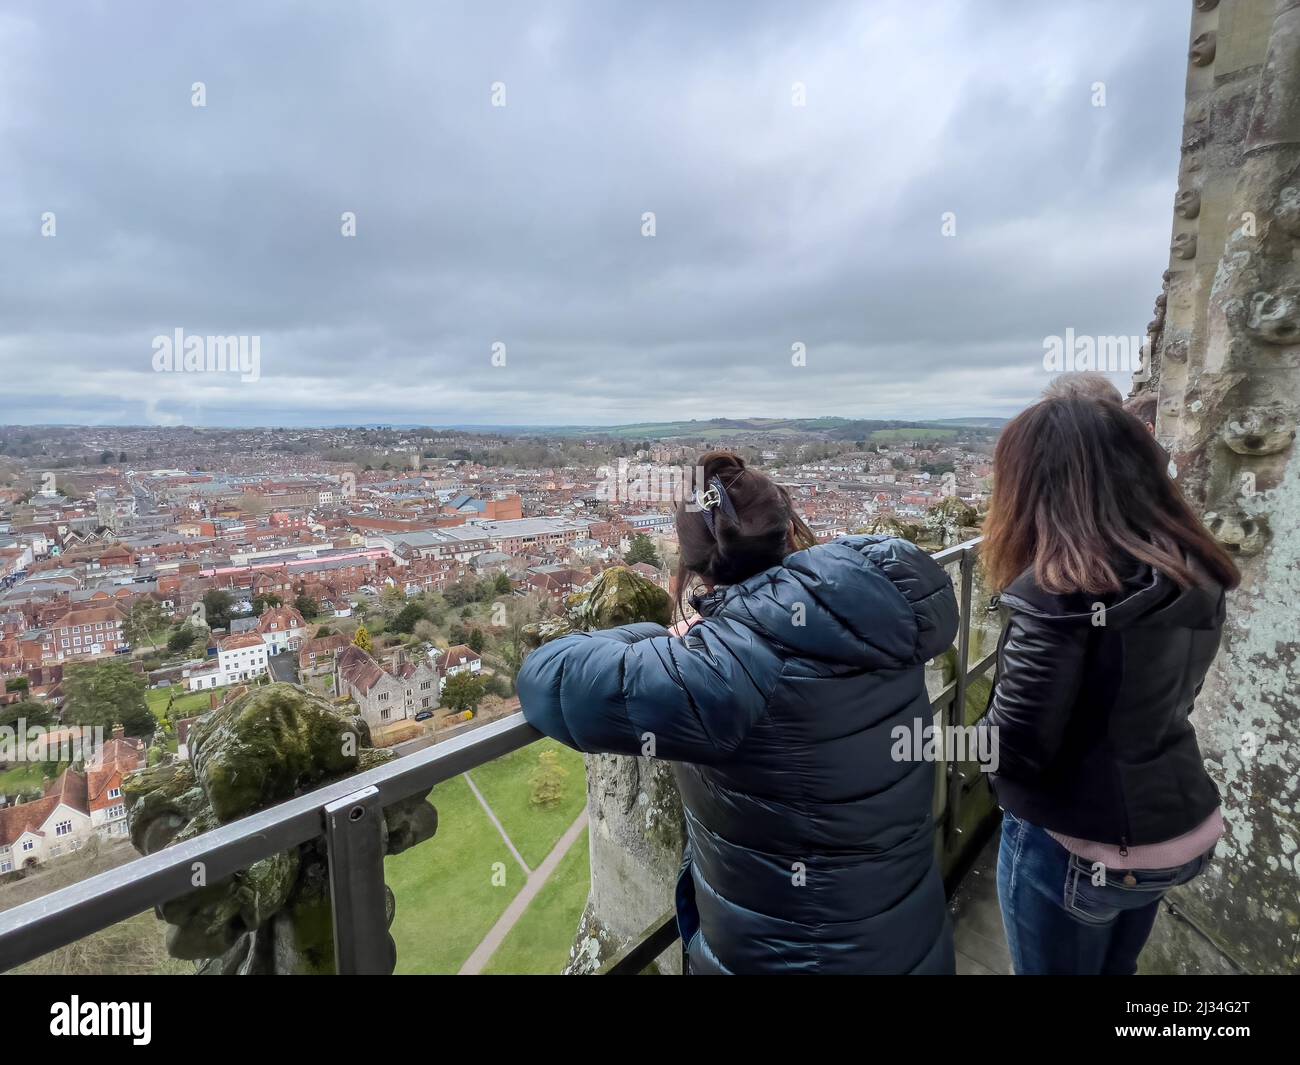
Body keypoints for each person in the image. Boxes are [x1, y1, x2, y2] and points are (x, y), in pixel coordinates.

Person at [517, 451, 959, 974]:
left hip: (791, 957)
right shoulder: (872, 601)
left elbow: (546, 678)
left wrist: (662, 639)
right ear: (786, 528)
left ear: (694, 565)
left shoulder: (720, 669)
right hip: (909, 932)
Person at [978, 395, 1240, 975]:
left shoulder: (1057, 593)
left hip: (1081, 843)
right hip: (1178, 828)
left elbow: (1012, 747)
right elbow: (1173, 699)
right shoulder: (1194, 568)